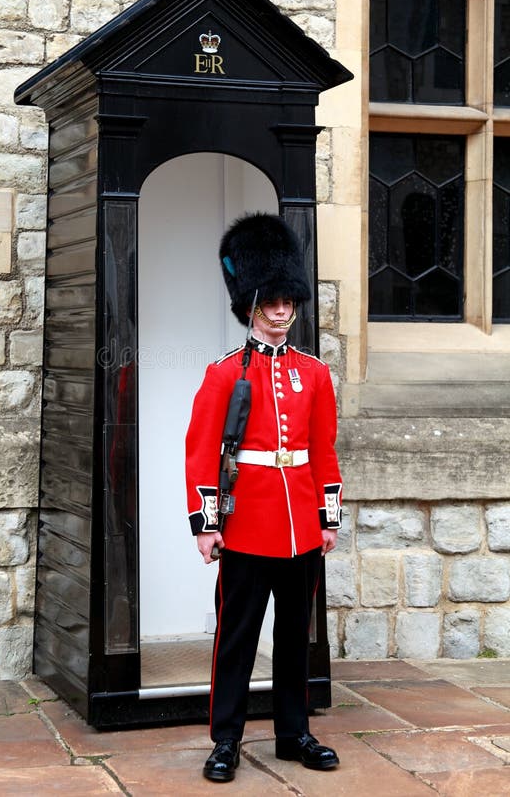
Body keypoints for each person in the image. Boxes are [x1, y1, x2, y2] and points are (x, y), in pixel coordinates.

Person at [185, 213, 343, 783]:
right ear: (251, 305)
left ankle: (293, 732)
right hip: (247, 525)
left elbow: (323, 452)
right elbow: (201, 453)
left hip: (301, 526)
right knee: (237, 639)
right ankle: (225, 739)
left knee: (294, 639)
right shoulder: (225, 373)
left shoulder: (315, 374)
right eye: (270, 302)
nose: (280, 312)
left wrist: (328, 518)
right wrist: (207, 524)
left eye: (286, 301)